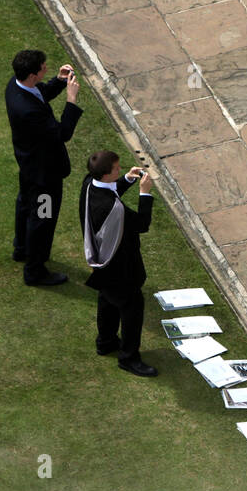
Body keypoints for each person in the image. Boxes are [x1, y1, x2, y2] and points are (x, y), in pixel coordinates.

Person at [6, 49, 82, 286]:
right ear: (32, 74)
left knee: (25, 206)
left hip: (29, 165)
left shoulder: (17, 85)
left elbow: (40, 94)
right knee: (42, 219)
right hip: (44, 175)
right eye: (43, 68)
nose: (47, 68)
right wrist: (71, 99)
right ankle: (35, 270)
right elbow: (62, 133)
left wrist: (58, 82)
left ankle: (21, 248)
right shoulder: (28, 111)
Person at [79, 150, 159, 375]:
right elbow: (141, 223)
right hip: (121, 268)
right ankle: (129, 358)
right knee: (132, 309)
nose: (119, 169)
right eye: (116, 169)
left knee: (107, 299)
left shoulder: (89, 183)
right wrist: (144, 193)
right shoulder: (114, 209)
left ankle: (105, 342)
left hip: (101, 263)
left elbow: (109, 193)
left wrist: (126, 180)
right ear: (105, 174)